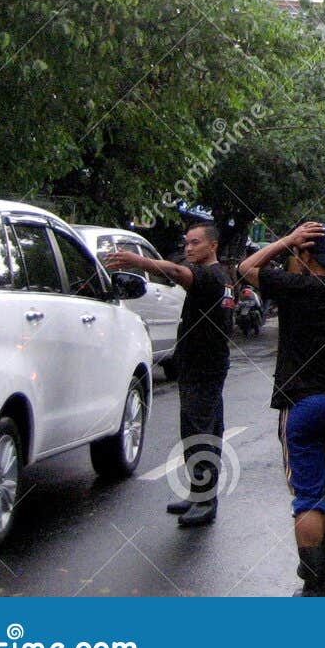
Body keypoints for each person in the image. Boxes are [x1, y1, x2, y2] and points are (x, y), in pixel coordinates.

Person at [240, 221, 325, 597]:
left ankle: (315, 585)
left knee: (307, 500)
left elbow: (245, 269)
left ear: (305, 255)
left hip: (302, 405)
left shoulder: (293, 288)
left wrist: (285, 241)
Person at [103, 220, 229, 528]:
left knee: (200, 432)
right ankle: (198, 493)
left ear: (212, 246)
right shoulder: (218, 276)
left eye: (195, 243)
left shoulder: (211, 276)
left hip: (204, 366)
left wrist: (139, 261)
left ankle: (205, 499)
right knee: (202, 428)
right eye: (186, 243)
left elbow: (177, 273)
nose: (188, 248)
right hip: (200, 364)